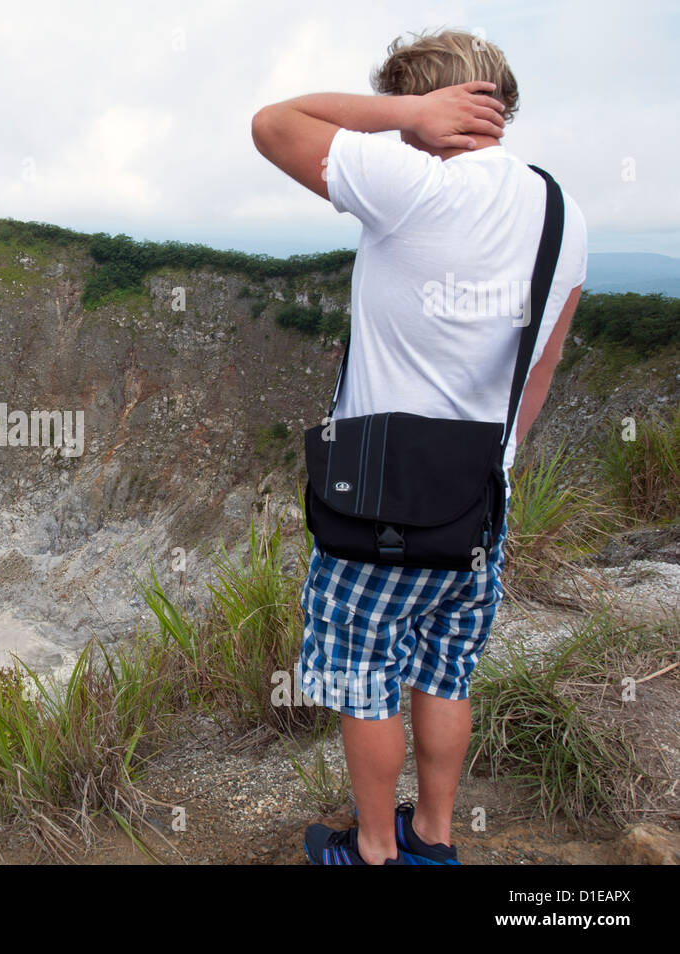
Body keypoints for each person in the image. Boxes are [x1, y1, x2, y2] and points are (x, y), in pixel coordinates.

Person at [251, 28, 588, 864]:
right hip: (481, 494)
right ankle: (433, 839)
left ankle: (372, 851)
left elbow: (272, 122)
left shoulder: (414, 183)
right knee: (446, 670)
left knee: (366, 677)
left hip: (379, 496)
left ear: (430, 105)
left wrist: (406, 116)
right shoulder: (561, 210)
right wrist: (490, 465)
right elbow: (539, 371)